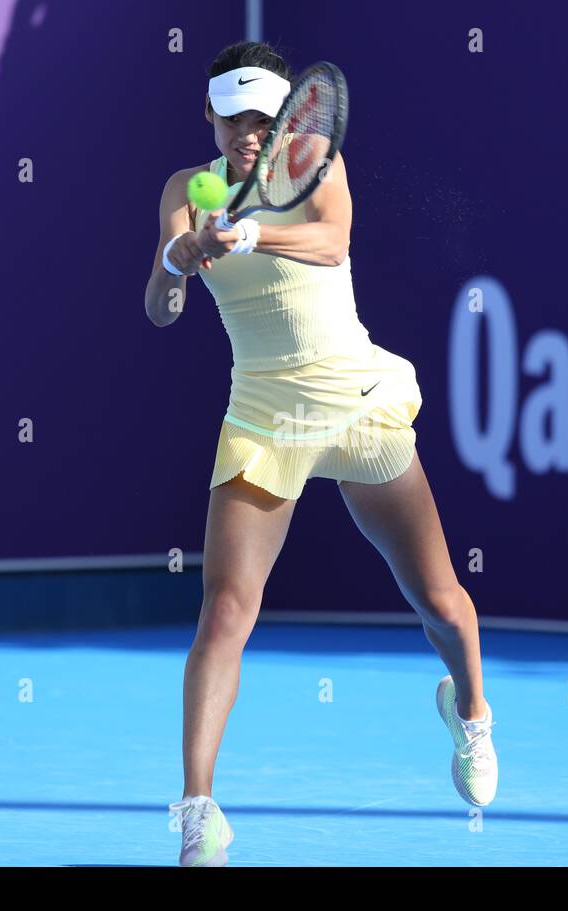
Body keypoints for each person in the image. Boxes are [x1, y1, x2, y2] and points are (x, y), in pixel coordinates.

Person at [143, 41, 498, 866]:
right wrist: (179, 257)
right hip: (264, 412)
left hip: (355, 400)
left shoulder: (319, 166)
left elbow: (332, 243)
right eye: (235, 121)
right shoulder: (182, 191)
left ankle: (470, 713)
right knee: (226, 609)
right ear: (212, 117)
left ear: (287, 120)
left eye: (264, 122)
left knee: (440, 602)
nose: (250, 138)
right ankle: (197, 812)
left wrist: (249, 234)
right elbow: (162, 308)